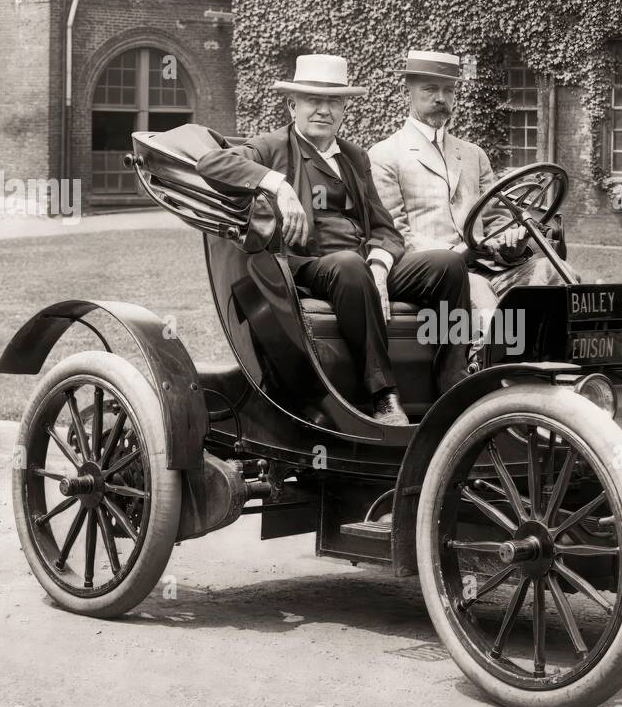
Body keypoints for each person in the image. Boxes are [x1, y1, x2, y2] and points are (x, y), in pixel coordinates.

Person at [196, 54, 471, 426]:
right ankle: (383, 395)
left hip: (359, 267)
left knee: (448, 265)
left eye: (333, 102)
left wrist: (379, 264)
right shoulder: (271, 147)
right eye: (313, 101)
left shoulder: (355, 157)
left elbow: (385, 228)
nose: (323, 110)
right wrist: (278, 187)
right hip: (301, 267)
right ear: (293, 105)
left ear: (344, 109)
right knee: (347, 264)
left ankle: (452, 386)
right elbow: (211, 164)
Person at [368, 50, 567, 326]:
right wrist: (457, 252)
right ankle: (488, 366)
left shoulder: (473, 154)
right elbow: (395, 233)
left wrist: (512, 241)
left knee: (554, 275)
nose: (441, 98)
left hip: (489, 267)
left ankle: (553, 365)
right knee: (482, 301)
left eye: (448, 90)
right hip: (434, 276)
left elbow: (496, 218)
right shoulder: (385, 155)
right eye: (430, 89)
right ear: (407, 94)